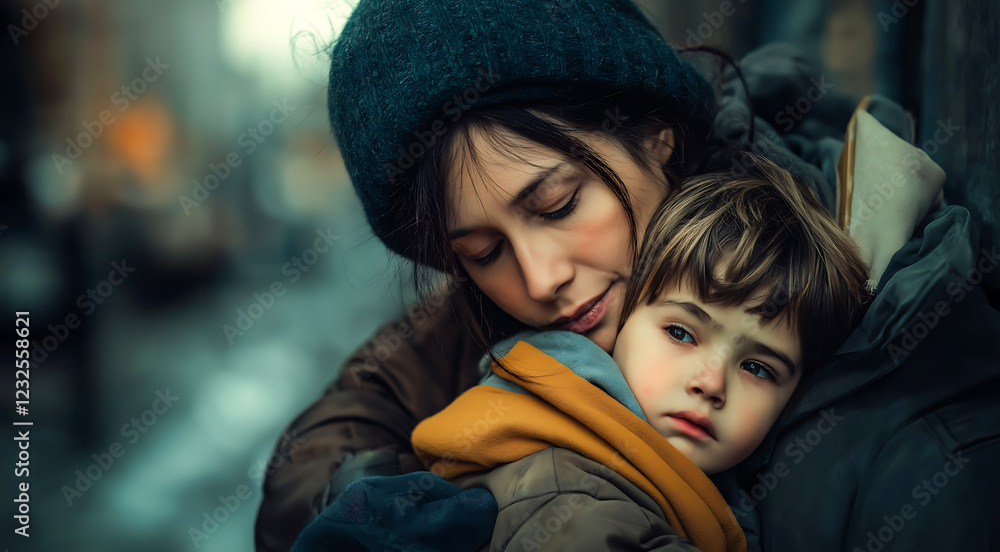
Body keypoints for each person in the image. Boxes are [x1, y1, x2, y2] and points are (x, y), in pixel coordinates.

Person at [255, 0, 1000, 551]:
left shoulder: (890, 369)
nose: (540, 279)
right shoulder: (516, 317)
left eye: (557, 202)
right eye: (481, 253)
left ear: (656, 136)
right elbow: (337, 431)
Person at [289, 154, 870, 552]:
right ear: (633, 310)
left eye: (758, 367)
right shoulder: (574, 492)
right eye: (681, 334)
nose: (711, 380)